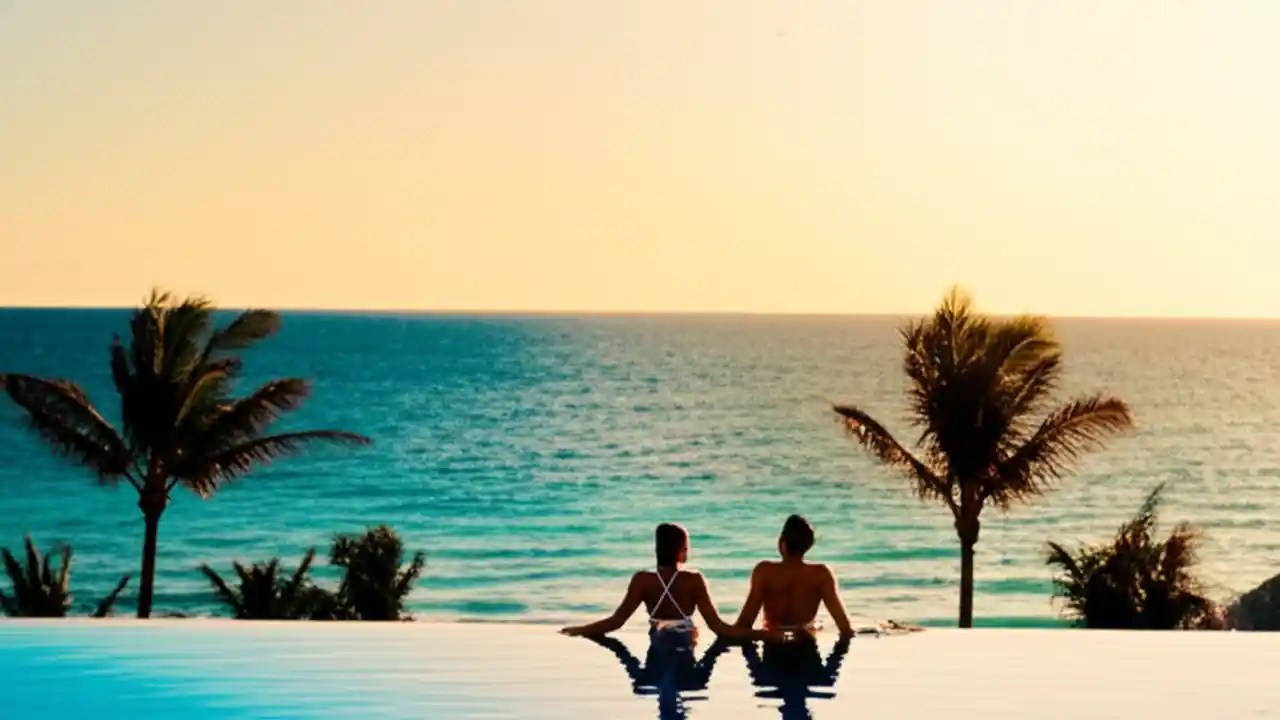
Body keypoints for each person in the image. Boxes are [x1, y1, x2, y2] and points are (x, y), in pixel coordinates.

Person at [561, 523, 767, 641]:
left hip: (658, 640)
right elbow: (718, 628)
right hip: (685, 640)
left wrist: (580, 630)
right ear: (679, 552)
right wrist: (765, 635)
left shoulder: (642, 580)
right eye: (686, 548)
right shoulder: (693, 580)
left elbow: (616, 622)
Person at [734, 515, 854, 637]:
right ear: (809, 545)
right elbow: (844, 627)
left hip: (773, 645)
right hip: (806, 643)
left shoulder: (764, 572)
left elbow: (744, 624)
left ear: (783, 543)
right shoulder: (821, 574)